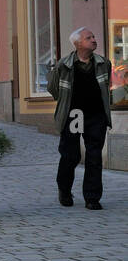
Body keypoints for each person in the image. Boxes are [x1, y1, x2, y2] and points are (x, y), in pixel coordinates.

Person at [48, 27, 114, 210]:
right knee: (71, 155)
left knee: (94, 156)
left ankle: (92, 198)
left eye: (93, 37)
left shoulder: (103, 63)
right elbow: (53, 89)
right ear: (78, 44)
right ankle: (64, 190)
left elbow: (106, 86)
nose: (94, 40)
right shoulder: (64, 65)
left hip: (95, 116)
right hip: (74, 115)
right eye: (89, 38)